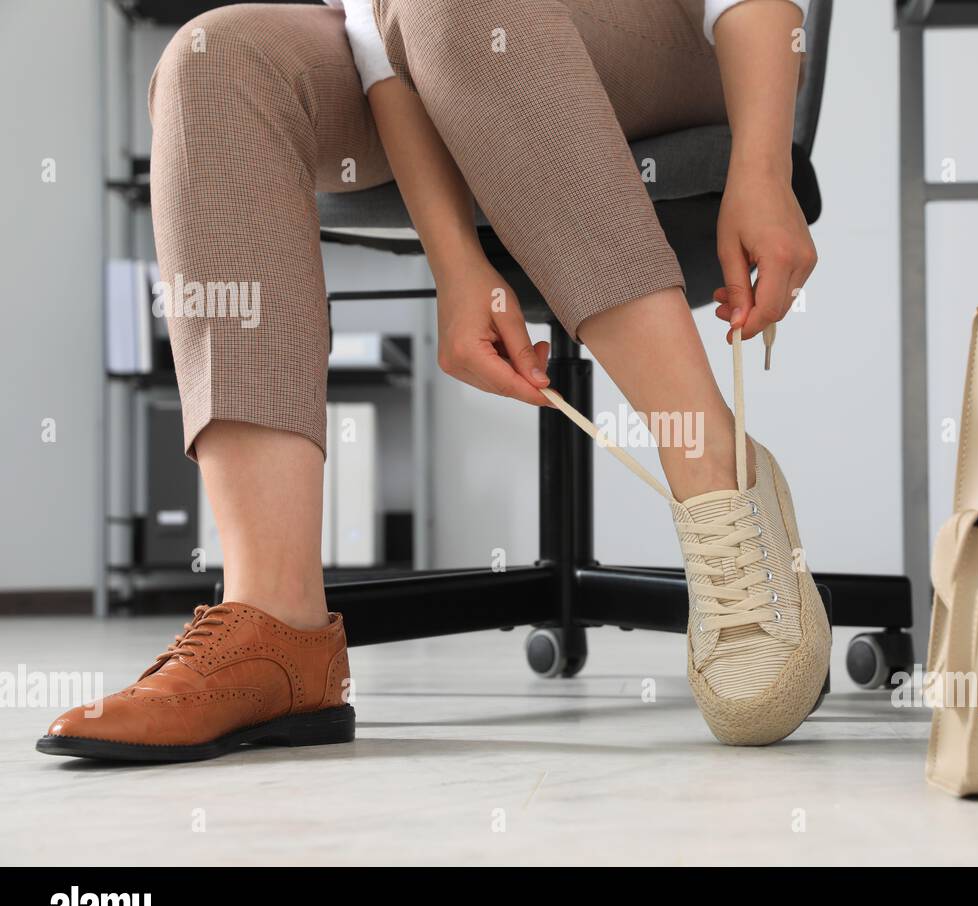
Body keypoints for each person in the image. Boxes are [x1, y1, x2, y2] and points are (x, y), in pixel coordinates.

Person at [38, 0, 829, 761]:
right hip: (430, 40)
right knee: (216, 62)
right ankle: (274, 631)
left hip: (671, 34)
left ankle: (714, 473)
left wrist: (762, 168)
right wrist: (455, 261)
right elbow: (375, 35)